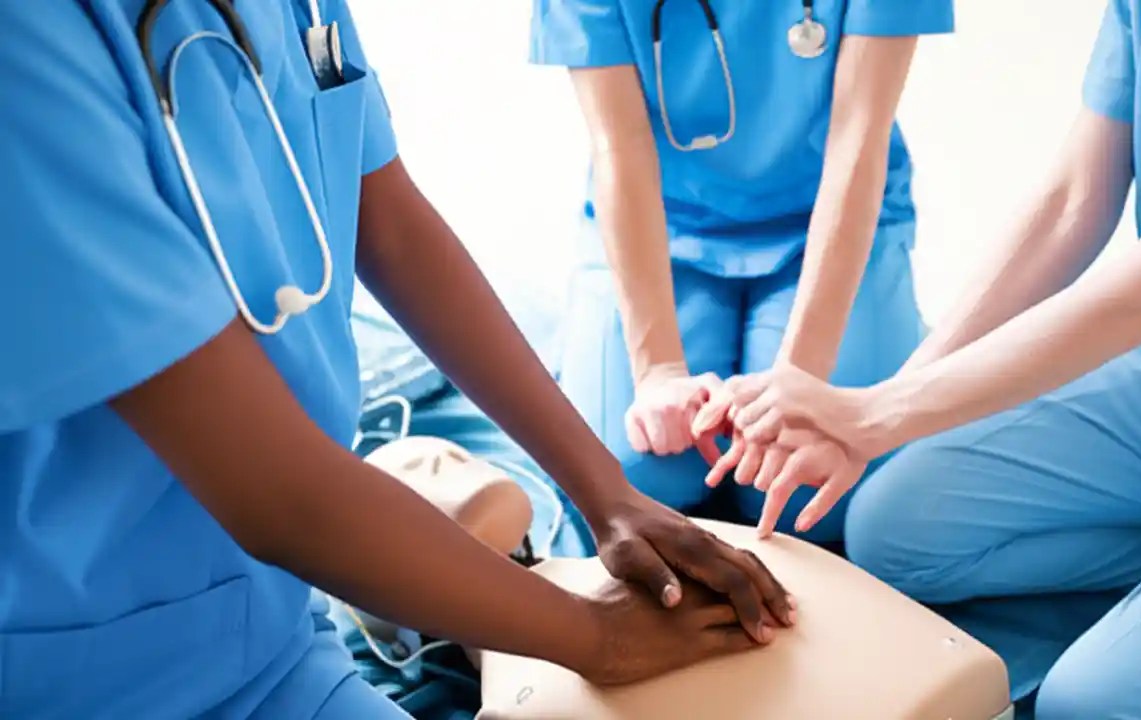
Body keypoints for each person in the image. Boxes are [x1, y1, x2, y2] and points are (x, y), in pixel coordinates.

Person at [0, 2, 798, 718]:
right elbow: (280, 498)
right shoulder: (29, 45)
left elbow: (390, 223)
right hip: (80, 667)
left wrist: (607, 493)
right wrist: (592, 637)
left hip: (269, 630)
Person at [697, 0, 1141, 716]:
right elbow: (1072, 202)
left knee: (1084, 705)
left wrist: (875, 415)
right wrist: (885, 408)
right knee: (892, 531)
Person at [531, 0, 953, 542]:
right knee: (630, 478)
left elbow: (858, 134)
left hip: (822, 220)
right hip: (666, 221)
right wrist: (658, 370)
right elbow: (620, 146)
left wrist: (800, 377)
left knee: (807, 494)